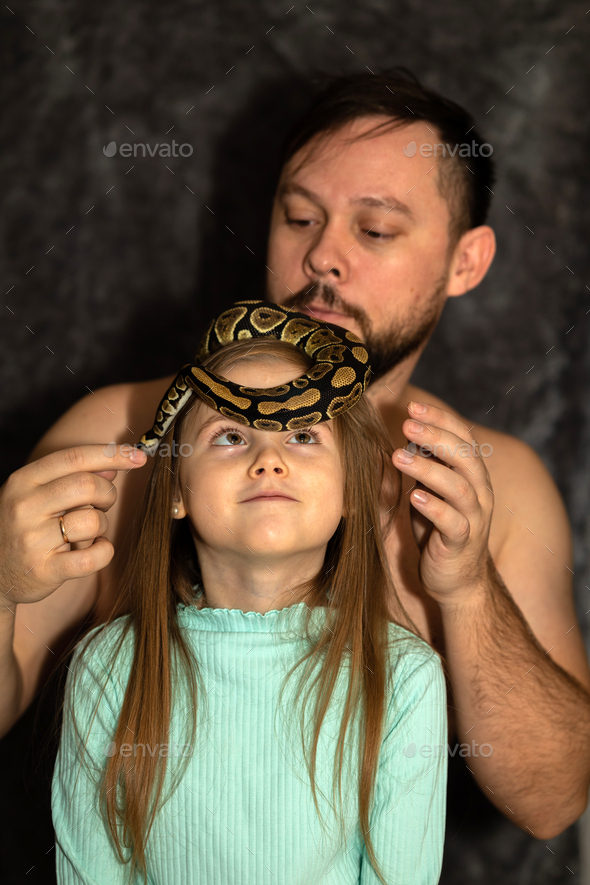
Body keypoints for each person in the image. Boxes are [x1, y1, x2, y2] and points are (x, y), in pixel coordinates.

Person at [2, 67, 590, 843]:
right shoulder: (122, 437)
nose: (323, 258)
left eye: (375, 230)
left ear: (466, 261)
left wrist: (470, 590)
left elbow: (554, 798)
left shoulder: (497, 486)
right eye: (299, 217)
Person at [51, 324, 448, 885]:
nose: (269, 459)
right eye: (231, 437)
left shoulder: (407, 677)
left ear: (352, 492)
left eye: (304, 435)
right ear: (174, 491)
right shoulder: (108, 666)